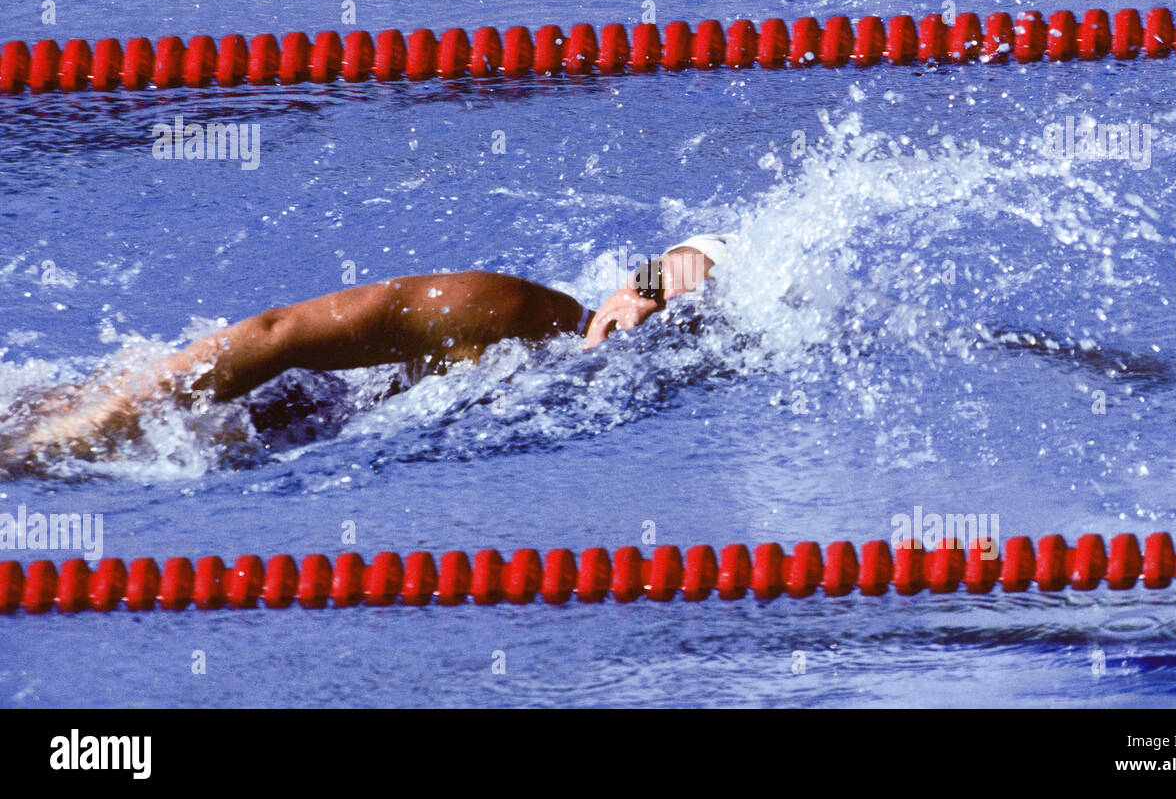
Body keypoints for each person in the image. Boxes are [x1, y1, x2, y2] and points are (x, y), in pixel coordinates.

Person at [4, 234, 738, 466]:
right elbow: (279, 334)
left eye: (674, 320)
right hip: (212, 406)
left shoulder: (603, 388)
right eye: (647, 298)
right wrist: (100, 424)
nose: (641, 327)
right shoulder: (511, 308)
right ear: (627, 280)